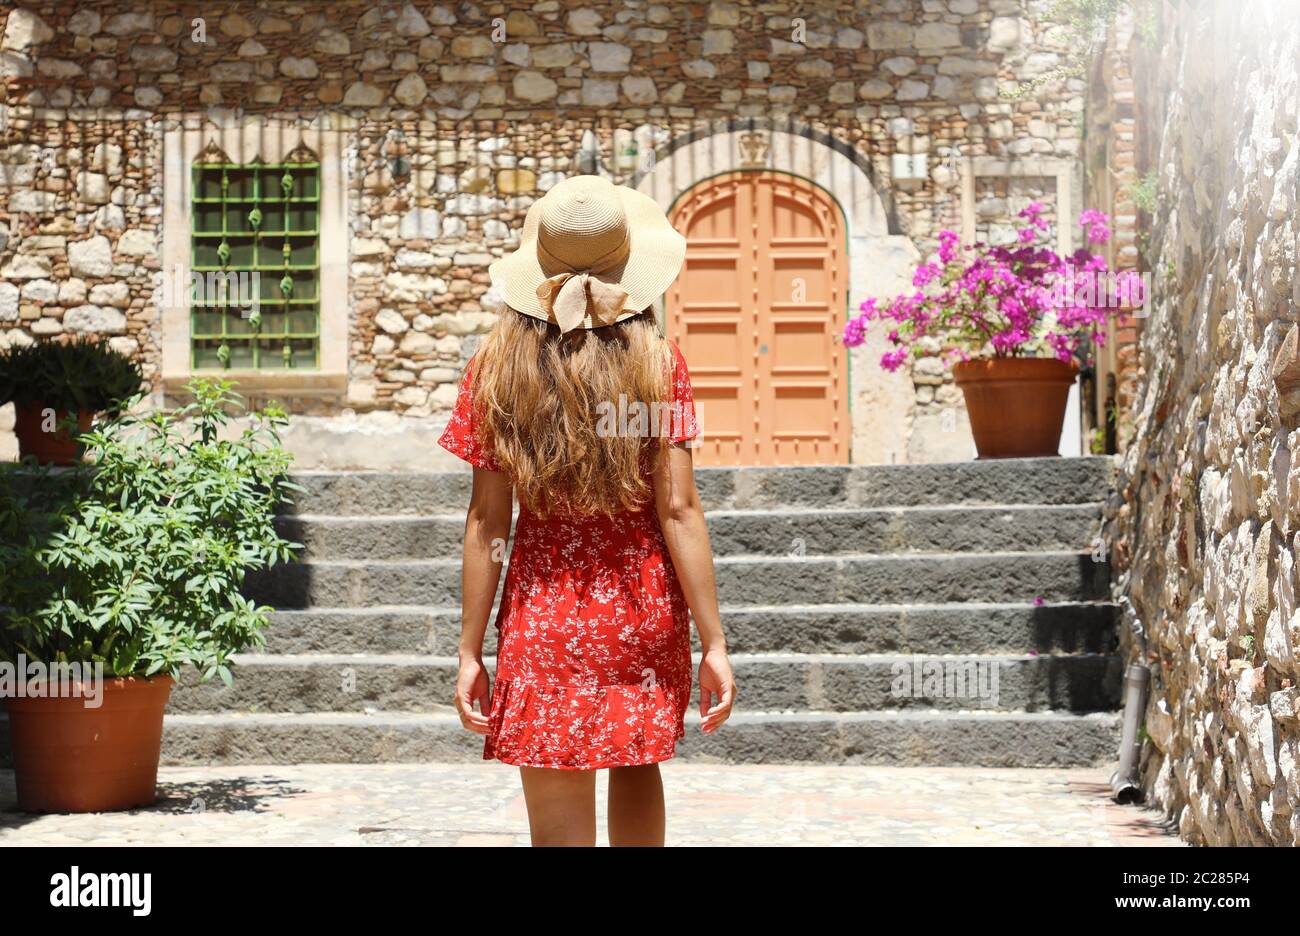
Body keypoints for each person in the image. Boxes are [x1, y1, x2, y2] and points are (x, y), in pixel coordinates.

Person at [439, 174, 736, 847]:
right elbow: (680, 509)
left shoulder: (496, 369)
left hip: (543, 616)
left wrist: (468, 650)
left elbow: (488, 523)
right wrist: (714, 643)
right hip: (638, 607)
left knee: (557, 824)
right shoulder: (661, 365)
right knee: (637, 766)